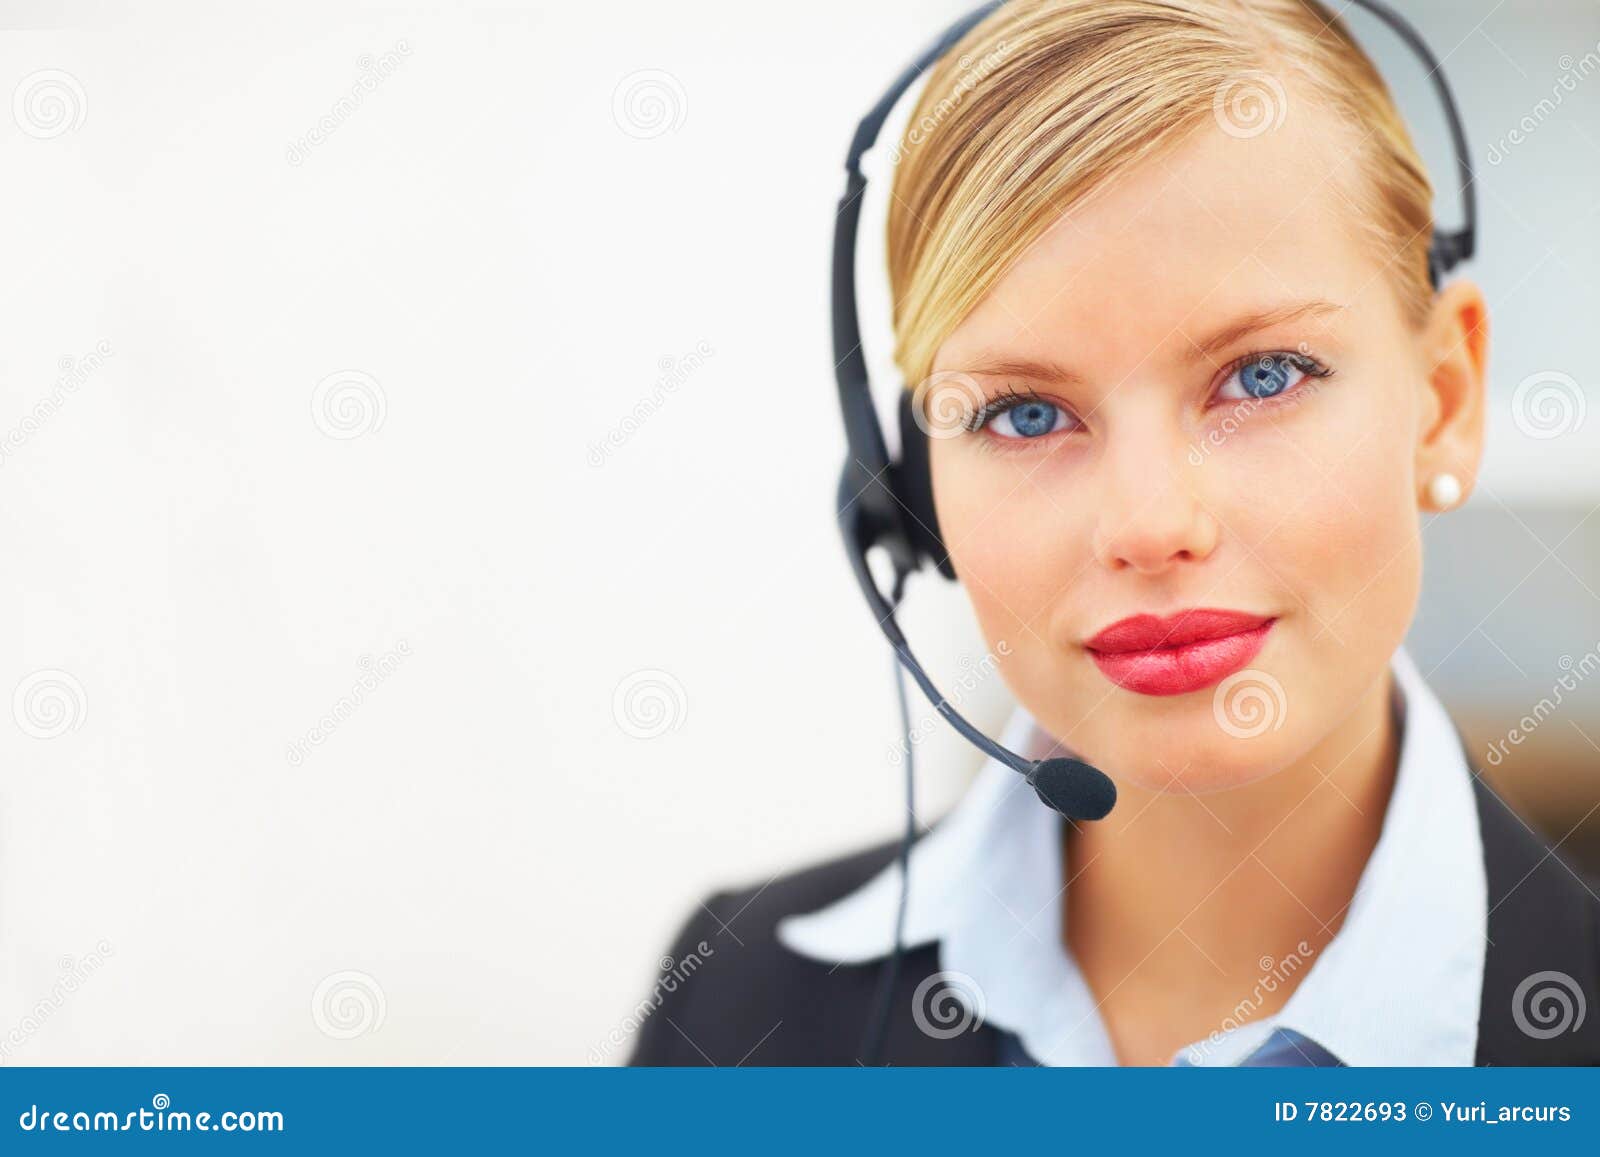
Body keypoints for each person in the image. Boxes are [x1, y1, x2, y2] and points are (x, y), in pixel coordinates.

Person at [627, 0, 1600, 1066]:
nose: (1150, 525)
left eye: (1262, 376)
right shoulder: (732, 1003)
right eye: (1025, 413)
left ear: (1445, 399)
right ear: (907, 484)